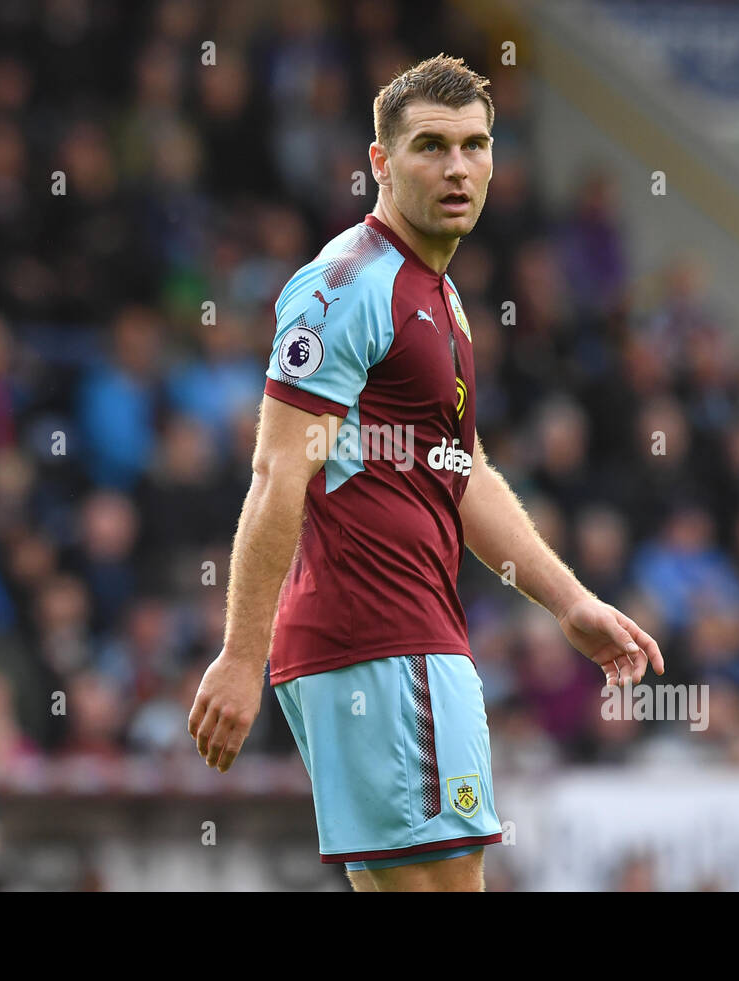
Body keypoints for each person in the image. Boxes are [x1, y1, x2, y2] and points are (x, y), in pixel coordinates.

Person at [187, 53, 663, 893]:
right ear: (379, 162)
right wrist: (237, 654)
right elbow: (276, 475)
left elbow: (462, 471)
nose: (458, 168)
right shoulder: (346, 286)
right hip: (381, 638)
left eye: (475, 146)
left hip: (394, 639)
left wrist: (570, 600)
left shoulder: (439, 296)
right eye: (431, 146)